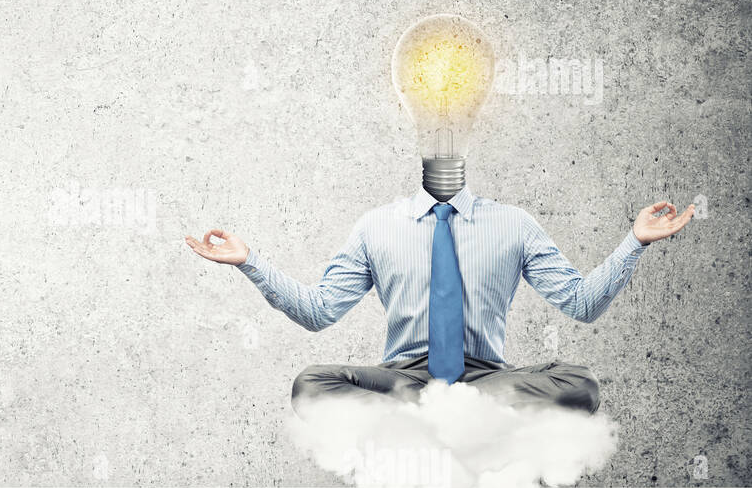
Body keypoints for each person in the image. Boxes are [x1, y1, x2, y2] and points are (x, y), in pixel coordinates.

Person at [186, 187, 695, 415]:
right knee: (312, 385)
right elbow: (319, 312)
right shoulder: (378, 225)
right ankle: (436, 412)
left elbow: (581, 304)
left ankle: (448, 412)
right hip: (403, 375)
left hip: (487, 376)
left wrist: (636, 242)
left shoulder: (512, 223)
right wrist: (249, 263)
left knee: (579, 384)